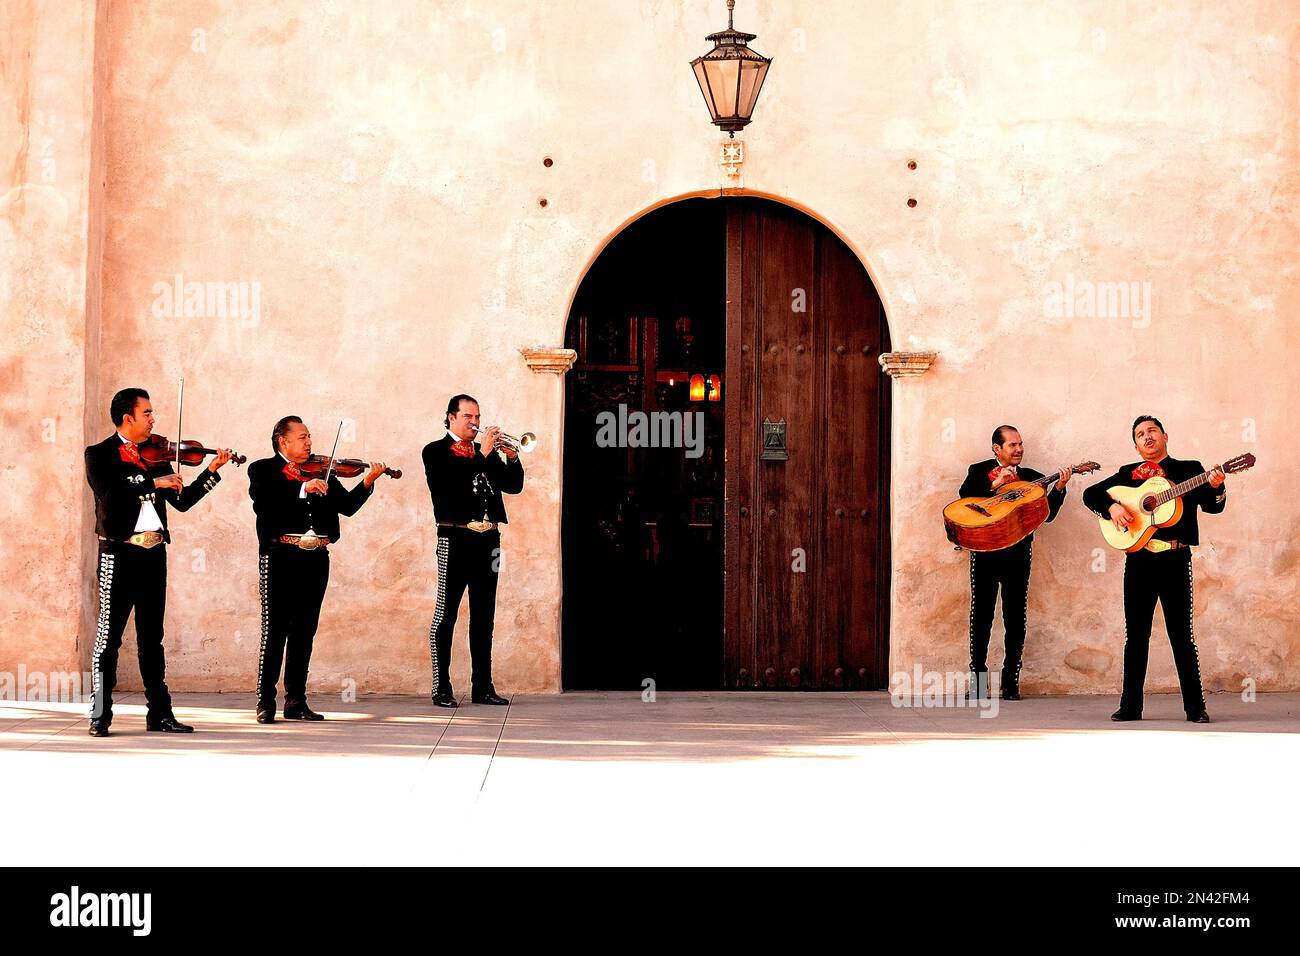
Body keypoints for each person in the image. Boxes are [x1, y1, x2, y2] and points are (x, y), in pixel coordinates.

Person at [84, 387, 233, 736]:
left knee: (153, 638)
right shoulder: (99, 454)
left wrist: (211, 471)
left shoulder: (156, 456)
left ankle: (160, 714)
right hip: (118, 554)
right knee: (109, 638)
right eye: (147, 413)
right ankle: (100, 714)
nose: (153, 419)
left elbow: (183, 502)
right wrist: (154, 482)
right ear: (127, 418)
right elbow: (112, 496)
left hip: (153, 554)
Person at [1081, 415, 1224, 723]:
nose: (1147, 436)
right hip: (1140, 561)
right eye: (1140, 434)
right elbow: (1089, 494)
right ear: (1136, 444)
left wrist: (1217, 486)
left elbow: (1214, 506)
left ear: (1165, 436)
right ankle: (1130, 706)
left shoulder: (1189, 470)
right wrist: (1113, 507)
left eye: (1152, 431)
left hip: (1175, 559)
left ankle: (1195, 707)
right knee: (1136, 636)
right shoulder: (1127, 475)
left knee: (1181, 635)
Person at [248, 416, 389, 722]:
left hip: (315, 559)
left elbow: (348, 506)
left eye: (309, 436)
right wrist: (302, 489)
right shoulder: (262, 470)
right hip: (281, 556)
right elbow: (265, 502)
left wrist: (368, 481)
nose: (309, 442)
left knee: (304, 631)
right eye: (302, 437)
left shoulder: (324, 470)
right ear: (283, 442)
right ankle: (265, 701)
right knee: (275, 630)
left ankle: (296, 701)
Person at [422, 395, 524, 708]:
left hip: (488, 541)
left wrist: (512, 458)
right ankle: (441, 686)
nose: (474, 422)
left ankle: (483, 686)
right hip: (455, 538)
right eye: (467, 416)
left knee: (484, 616)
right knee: (446, 613)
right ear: (451, 418)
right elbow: (456, 483)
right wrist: (485, 452)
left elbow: (513, 486)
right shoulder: (435, 451)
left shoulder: (486, 454)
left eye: (477, 416)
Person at [959, 425, 1071, 700]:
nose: (1019, 449)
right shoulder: (978, 470)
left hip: (1018, 553)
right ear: (997, 449)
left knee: (1015, 615)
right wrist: (996, 485)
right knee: (981, 614)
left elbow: (1048, 515)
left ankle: (1010, 681)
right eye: (1012, 445)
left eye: (1020, 444)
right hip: (985, 551)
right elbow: (966, 499)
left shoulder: (1032, 478)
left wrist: (1058, 487)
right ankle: (977, 679)